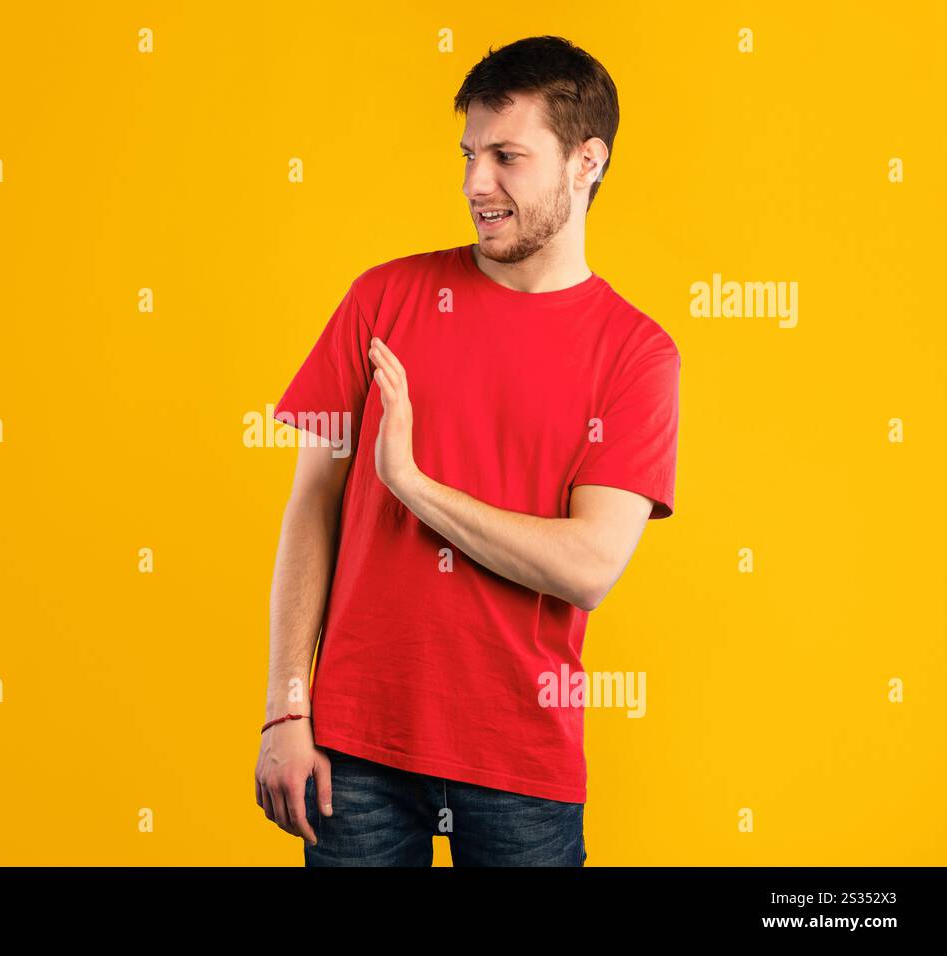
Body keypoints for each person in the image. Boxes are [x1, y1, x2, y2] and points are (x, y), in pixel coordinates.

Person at [254, 35, 680, 866]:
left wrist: (410, 484)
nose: (474, 184)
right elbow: (311, 508)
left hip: (522, 766)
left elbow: (588, 565)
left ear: (586, 161)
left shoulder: (637, 354)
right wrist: (285, 708)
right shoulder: (383, 297)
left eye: (506, 156)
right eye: (468, 154)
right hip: (353, 757)